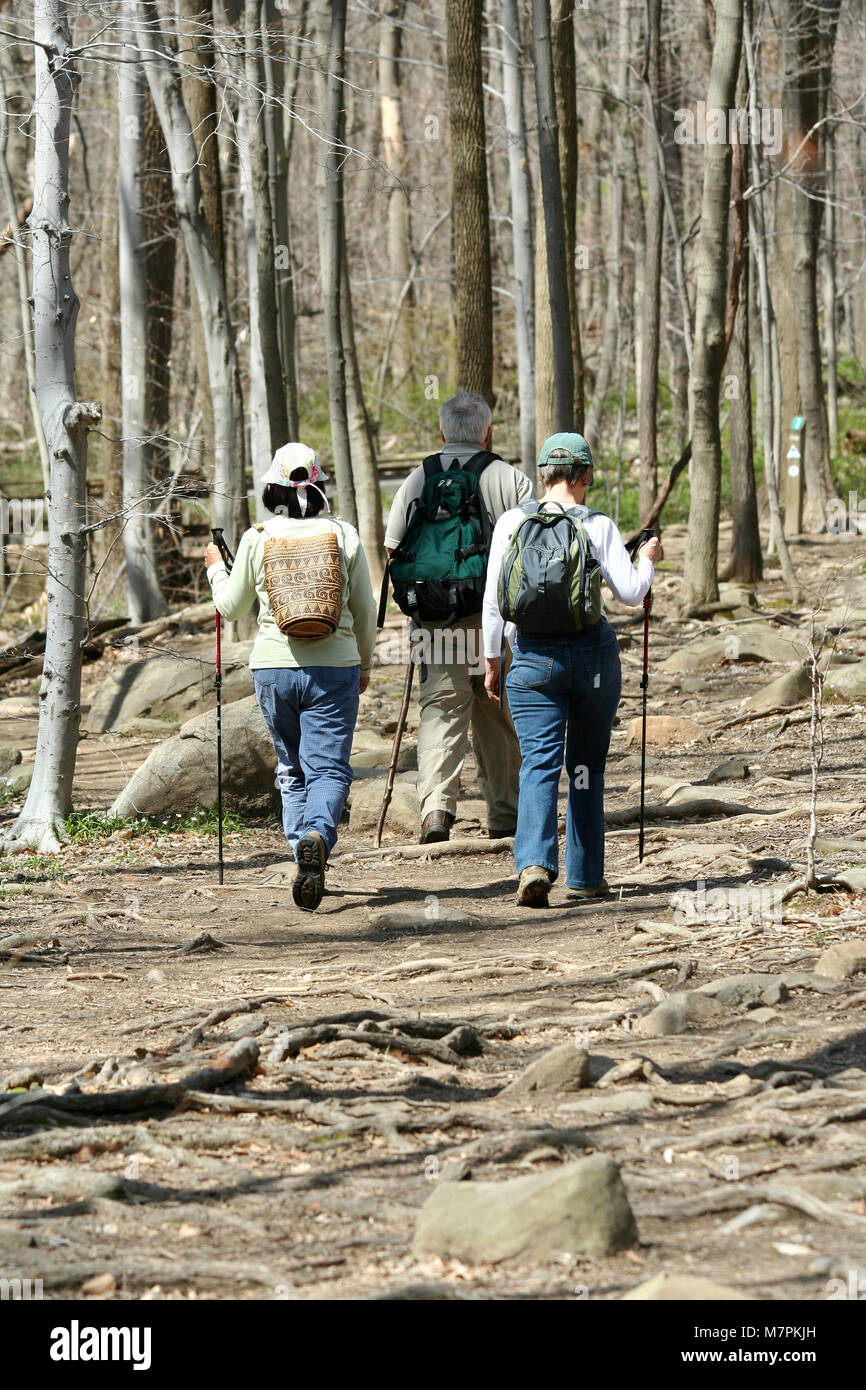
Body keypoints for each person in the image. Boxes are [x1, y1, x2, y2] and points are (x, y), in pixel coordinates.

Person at [482, 432, 662, 908]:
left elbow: (494, 602)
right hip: (592, 658)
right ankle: (584, 877)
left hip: (532, 660)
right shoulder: (597, 524)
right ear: (584, 476)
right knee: (584, 767)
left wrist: (493, 660)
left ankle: (535, 866)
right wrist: (645, 559)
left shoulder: (510, 523)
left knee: (538, 764)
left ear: (542, 475)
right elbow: (629, 594)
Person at [203, 443, 377, 911]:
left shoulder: (256, 537)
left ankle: (303, 848)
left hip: (273, 668)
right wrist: (364, 660)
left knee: (292, 767)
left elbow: (231, 607)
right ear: (319, 484)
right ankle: (318, 835)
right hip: (334, 665)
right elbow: (366, 608)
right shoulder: (344, 535)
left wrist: (217, 571)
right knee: (329, 767)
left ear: (272, 488)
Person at [384, 390, 534, 844]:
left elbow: (394, 549)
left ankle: (435, 813)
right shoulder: (513, 480)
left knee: (440, 712)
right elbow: (529, 555)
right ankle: (505, 815)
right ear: (488, 432)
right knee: (496, 711)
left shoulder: (416, 479)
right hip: (497, 619)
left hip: (434, 621)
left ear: (442, 432)